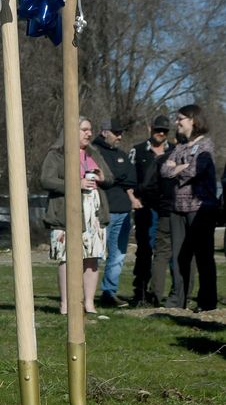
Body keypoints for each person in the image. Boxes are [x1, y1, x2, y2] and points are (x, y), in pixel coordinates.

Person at [39, 116, 112, 315]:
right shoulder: (56, 154)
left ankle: (89, 303)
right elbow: (46, 180)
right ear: (72, 131)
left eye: (90, 130)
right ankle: (66, 303)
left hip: (94, 214)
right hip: (66, 213)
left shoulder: (93, 153)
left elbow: (109, 178)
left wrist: (102, 177)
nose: (89, 133)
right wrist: (75, 184)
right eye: (84, 130)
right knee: (67, 257)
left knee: (92, 258)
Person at [161, 104, 219, 312]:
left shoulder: (206, 145)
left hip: (200, 208)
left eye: (180, 119)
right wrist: (180, 167)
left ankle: (207, 302)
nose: (177, 122)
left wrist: (177, 169)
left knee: (203, 256)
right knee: (179, 257)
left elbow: (195, 170)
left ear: (193, 120)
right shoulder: (180, 147)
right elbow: (164, 170)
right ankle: (177, 301)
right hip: (178, 208)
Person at [127, 115, 174, 306]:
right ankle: (140, 292)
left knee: (167, 251)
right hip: (144, 206)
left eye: (164, 131)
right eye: (157, 129)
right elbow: (128, 178)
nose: (161, 133)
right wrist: (133, 198)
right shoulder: (137, 151)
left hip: (166, 208)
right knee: (144, 249)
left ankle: (171, 293)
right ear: (150, 128)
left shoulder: (174, 151)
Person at [92, 119, 138, 308]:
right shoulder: (93, 151)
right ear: (104, 132)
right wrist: (112, 178)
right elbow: (101, 177)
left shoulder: (122, 154)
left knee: (118, 255)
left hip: (123, 210)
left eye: (121, 133)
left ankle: (109, 292)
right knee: (94, 254)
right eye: (116, 133)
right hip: (101, 211)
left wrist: (111, 178)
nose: (119, 136)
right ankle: (85, 294)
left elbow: (131, 178)